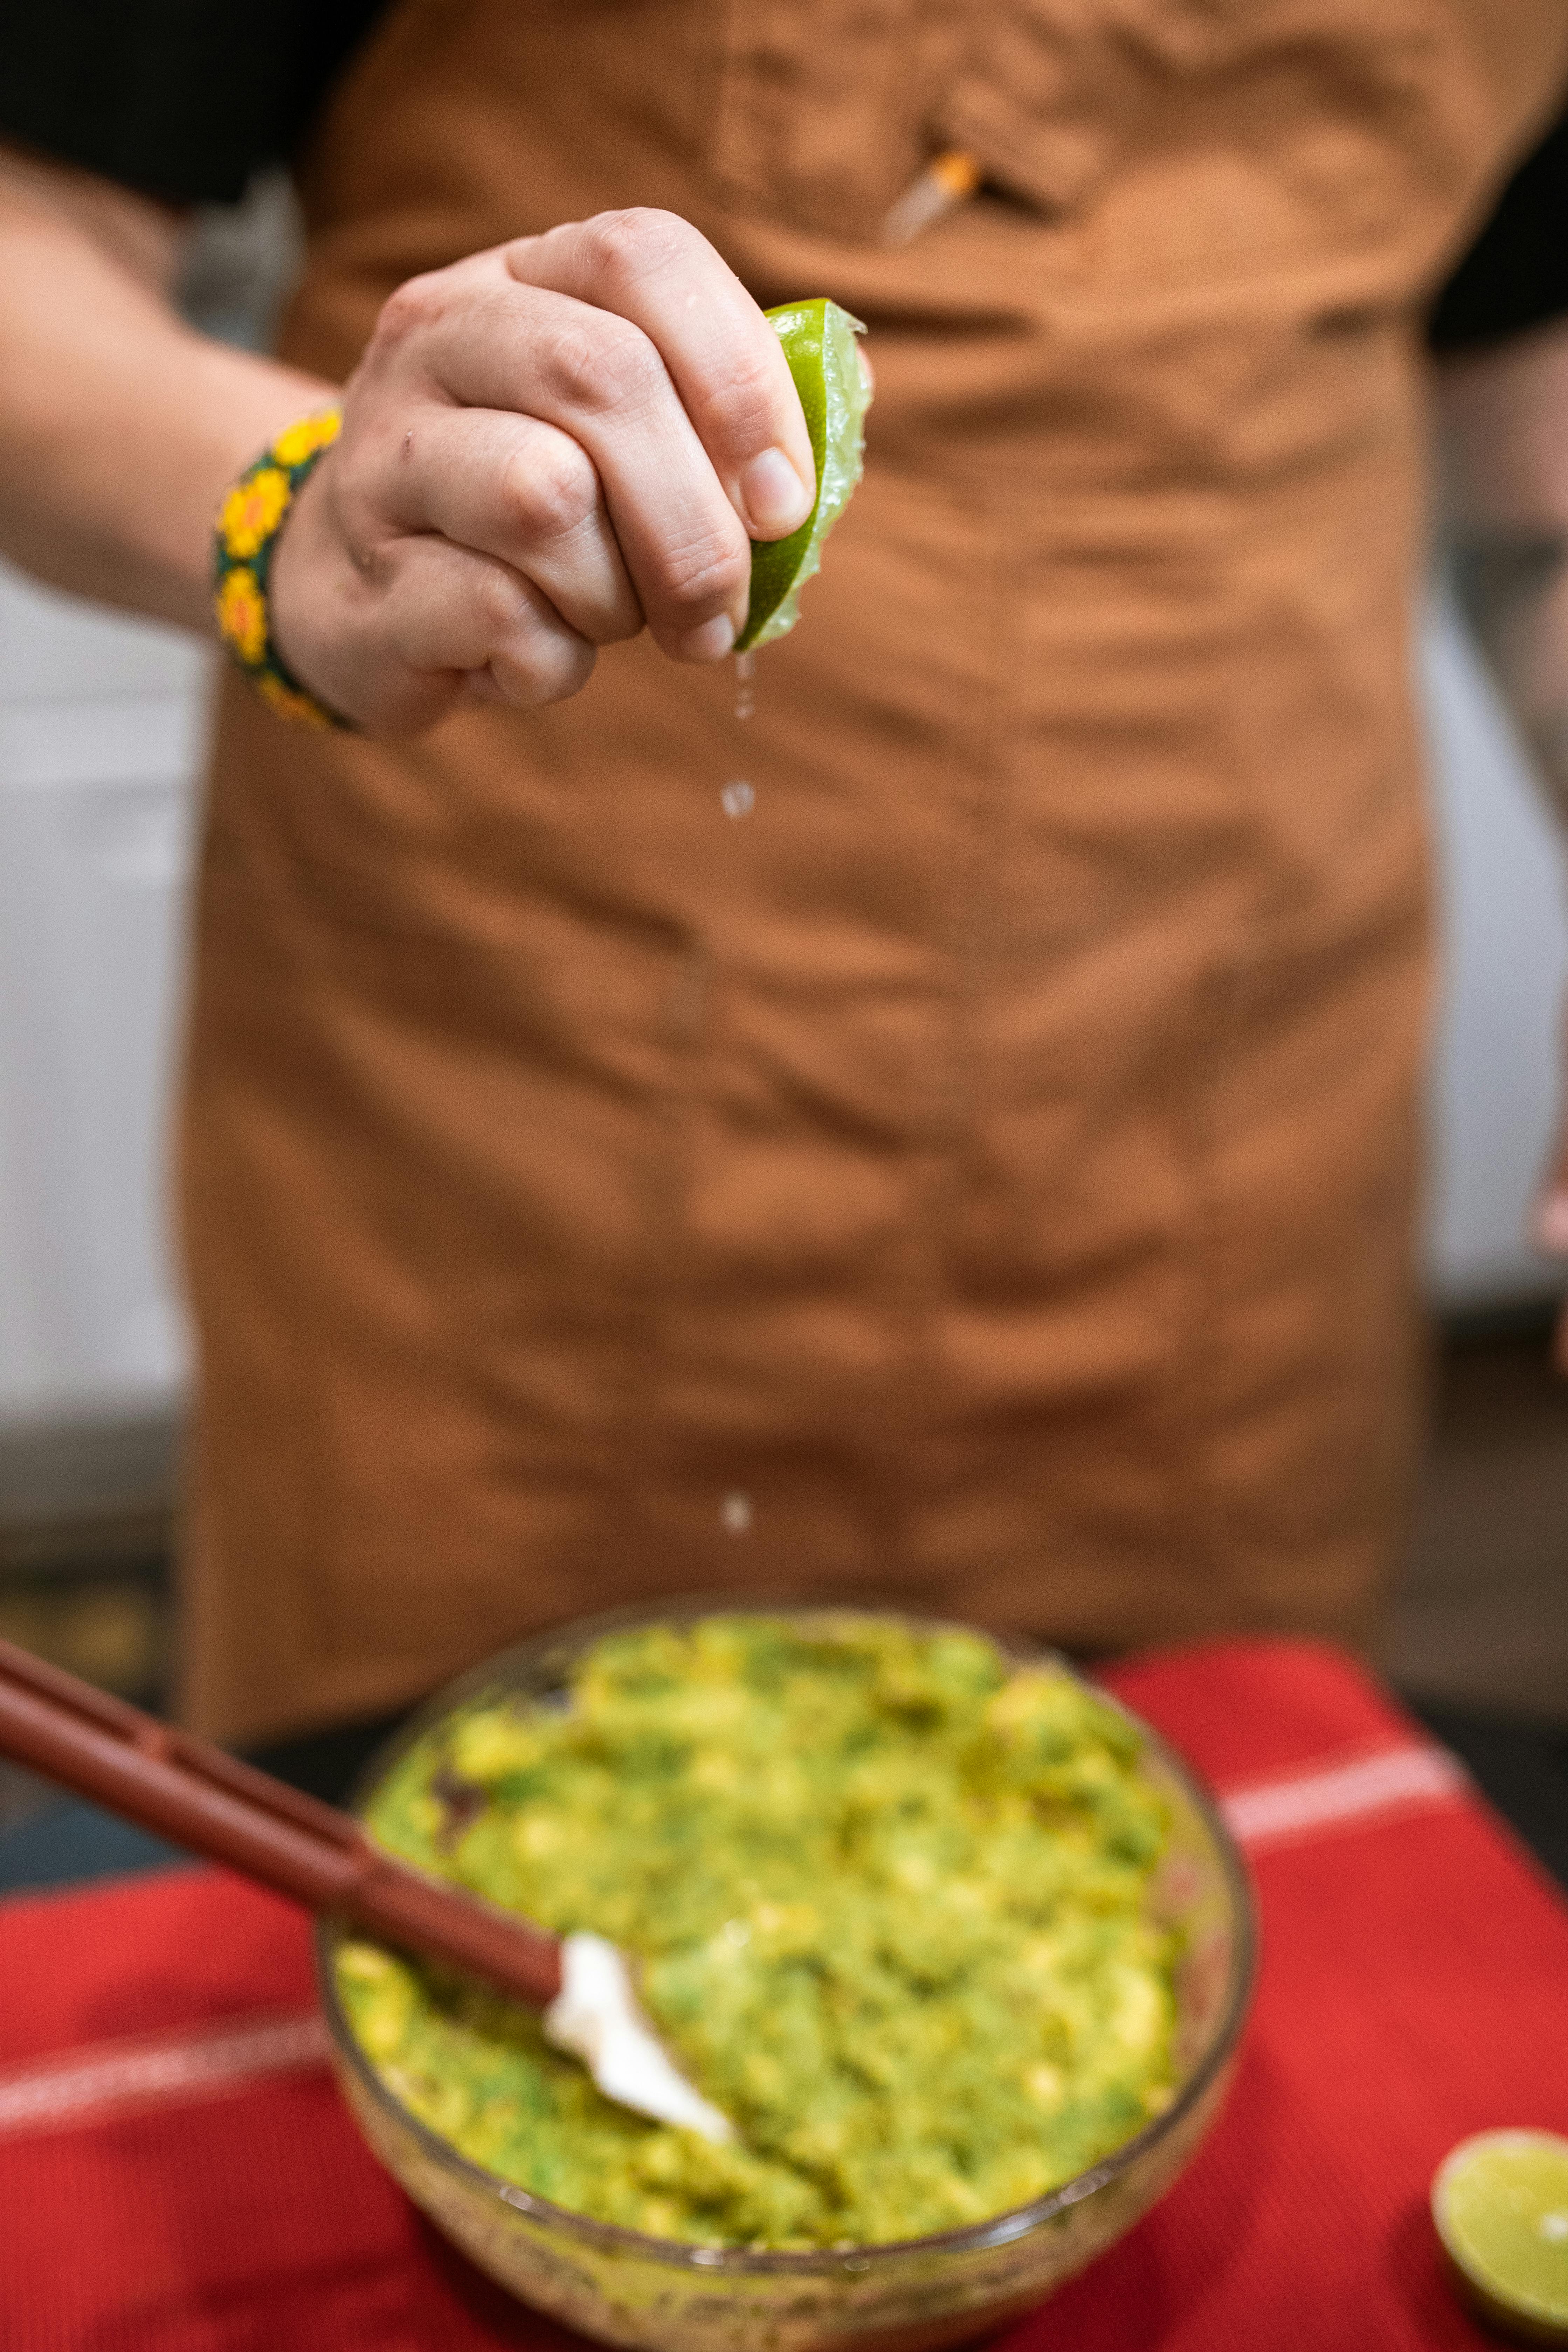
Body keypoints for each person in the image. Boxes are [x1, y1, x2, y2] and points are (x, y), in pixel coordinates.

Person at [2, 4, 1566, 1745]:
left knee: (1176, 1813)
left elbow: (1529, 364)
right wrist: (296, 511)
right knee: (452, 1828)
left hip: (1225, 1102)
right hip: (519, 1105)